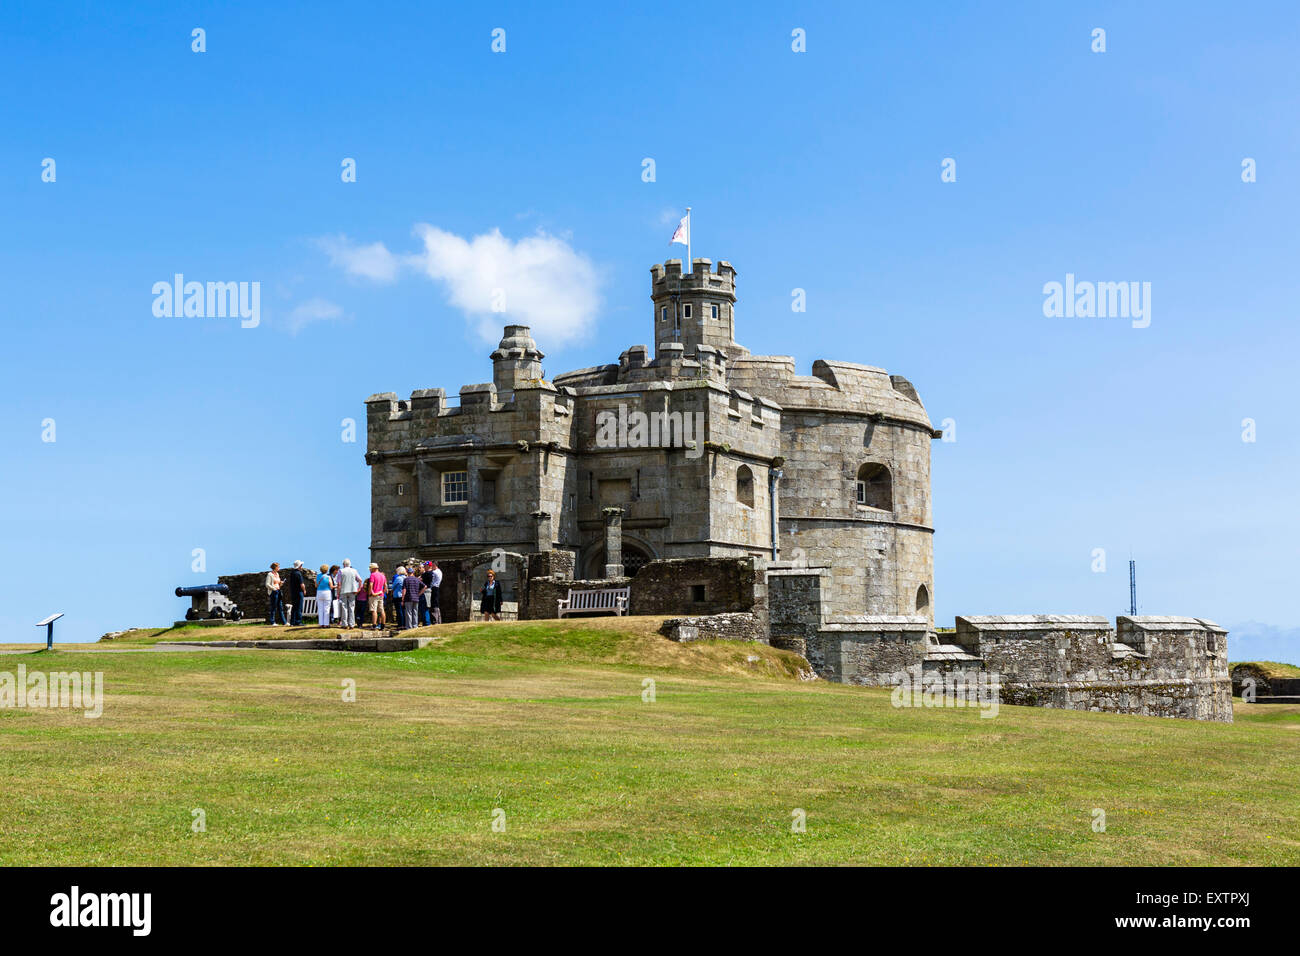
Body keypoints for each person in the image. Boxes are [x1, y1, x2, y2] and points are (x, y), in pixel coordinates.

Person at [337, 559, 361, 629]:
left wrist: (338, 593)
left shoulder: (341, 571)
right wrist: (358, 589)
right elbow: (360, 580)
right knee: (351, 607)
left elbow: (339, 583)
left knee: (344, 608)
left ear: (343, 564)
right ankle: (352, 624)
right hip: (352, 590)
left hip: (343, 590)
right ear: (350, 564)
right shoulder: (354, 570)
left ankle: (344, 624)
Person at [367, 563, 387, 630]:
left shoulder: (372, 575)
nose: (370, 570)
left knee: (374, 610)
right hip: (380, 594)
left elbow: (370, 585)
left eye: (370, 569)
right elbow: (385, 586)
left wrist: (370, 593)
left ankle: (374, 625)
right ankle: (383, 625)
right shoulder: (382, 575)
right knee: (382, 610)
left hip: (374, 595)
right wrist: (383, 592)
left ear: (373, 568)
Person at [287, 560, 306, 626]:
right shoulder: (298, 573)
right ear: (299, 566)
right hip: (299, 592)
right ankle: (298, 621)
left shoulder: (292, 573)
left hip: (293, 592)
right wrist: (304, 590)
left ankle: (293, 622)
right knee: (299, 607)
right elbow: (302, 584)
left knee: (294, 607)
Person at [391, 566, 407, 630]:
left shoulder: (398, 578)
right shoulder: (406, 578)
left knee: (399, 611)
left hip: (398, 596)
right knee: (404, 611)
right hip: (405, 596)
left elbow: (393, 587)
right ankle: (405, 624)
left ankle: (400, 624)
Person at [419, 562, 435, 626]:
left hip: (425, 591)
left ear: (429, 566)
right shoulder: (432, 573)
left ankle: (426, 623)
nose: (424, 567)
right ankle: (426, 622)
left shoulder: (427, 573)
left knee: (424, 608)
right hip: (428, 591)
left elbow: (419, 580)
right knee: (425, 608)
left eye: (425, 566)